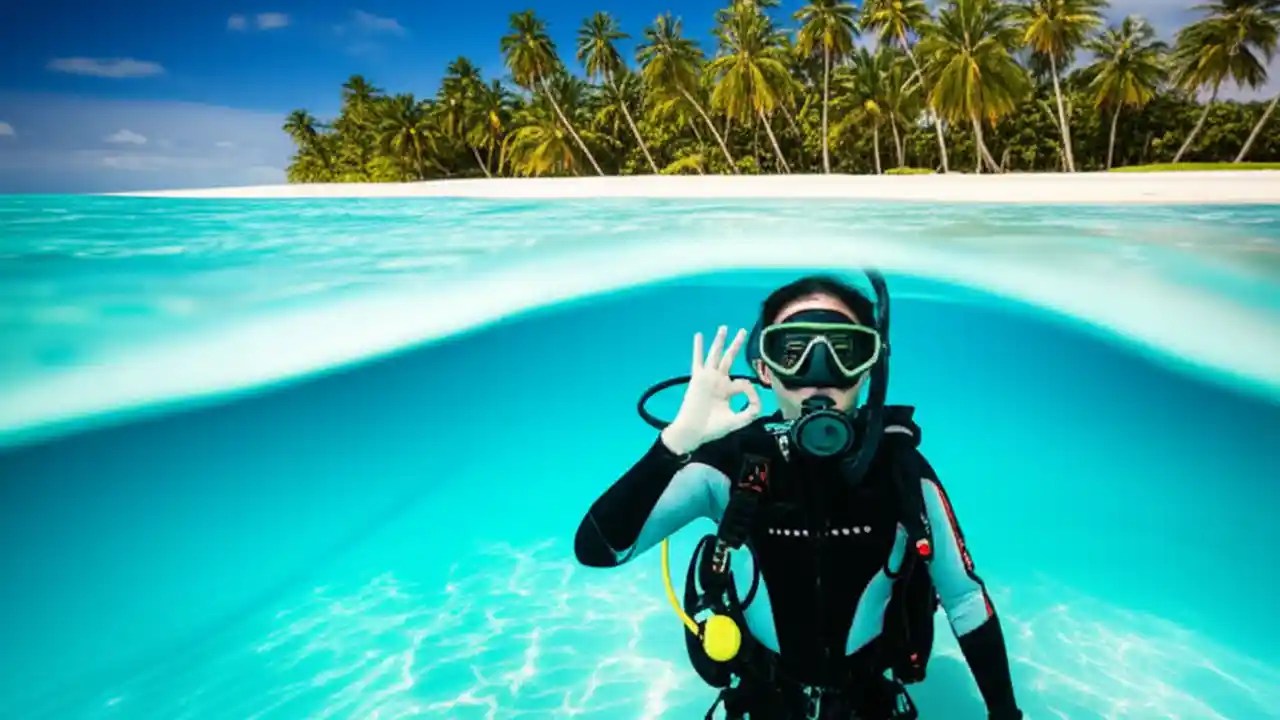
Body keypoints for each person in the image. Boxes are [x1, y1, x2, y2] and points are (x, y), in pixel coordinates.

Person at [573, 272, 1024, 719]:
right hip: (762, 697)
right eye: (794, 351)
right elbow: (600, 550)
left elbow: (964, 598)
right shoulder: (729, 464)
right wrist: (676, 443)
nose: (819, 372)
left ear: (870, 367)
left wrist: (1006, 716)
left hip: (869, 702)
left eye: (845, 351)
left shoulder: (900, 471)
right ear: (764, 368)